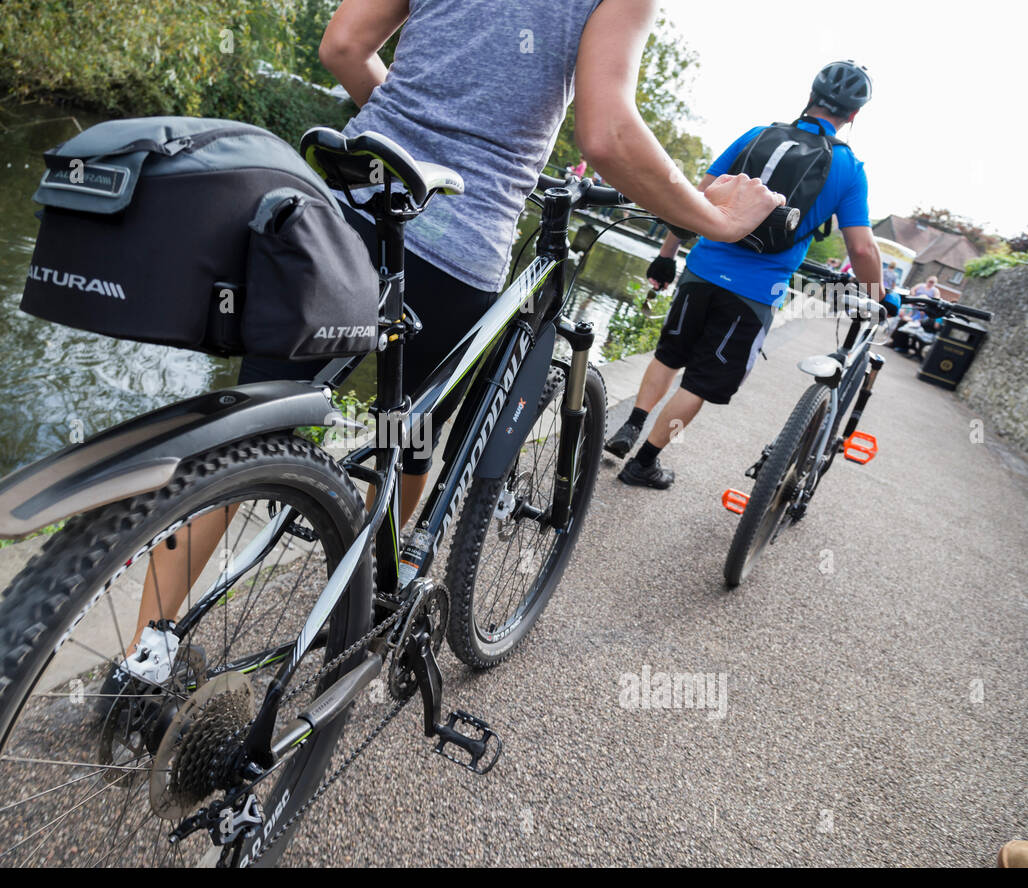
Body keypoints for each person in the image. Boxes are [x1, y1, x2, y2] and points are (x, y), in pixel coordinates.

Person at [120, 0, 784, 668]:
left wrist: (410, 136)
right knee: (406, 434)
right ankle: (375, 602)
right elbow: (606, 137)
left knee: (252, 428)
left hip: (338, 212)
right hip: (455, 246)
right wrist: (718, 222)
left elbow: (345, 46)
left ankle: (142, 658)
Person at [604, 60, 890, 489]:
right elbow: (863, 247)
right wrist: (879, 297)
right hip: (755, 293)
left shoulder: (757, 136)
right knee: (701, 382)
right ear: (853, 116)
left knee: (668, 355)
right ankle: (644, 462)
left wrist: (667, 254)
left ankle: (630, 426)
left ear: (809, 96)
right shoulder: (849, 169)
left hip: (702, 269)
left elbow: (695, 199)